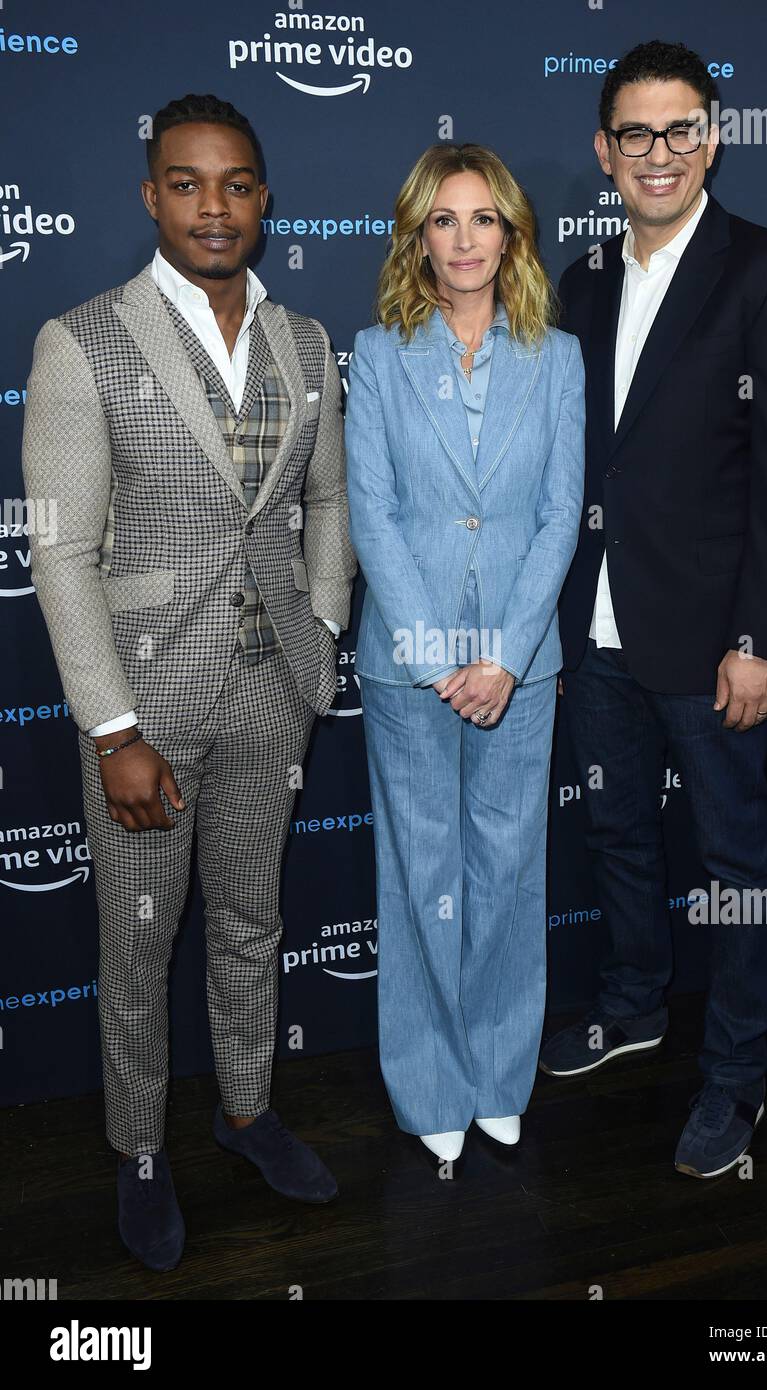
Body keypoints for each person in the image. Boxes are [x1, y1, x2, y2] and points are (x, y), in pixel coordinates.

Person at [22, 94, 356, 1269]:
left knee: (254, 921)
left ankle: (248, 1106)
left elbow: (327, 503)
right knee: (139, 938)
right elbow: (58, 546)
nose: (214, 207)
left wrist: (319, 634)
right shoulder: (84, 339)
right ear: (151, 195)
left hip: (275, 694)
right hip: (145, 707)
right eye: (187, 183)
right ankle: (140, 1146)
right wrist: (112, 726)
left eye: (237, 184)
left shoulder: (308, 343)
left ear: (265, 198)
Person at [541, 40, 767, 1177]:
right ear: (604, 151)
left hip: (716, 638)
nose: (657, 154)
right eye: (635, 134)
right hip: (600, 629)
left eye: (680, 131)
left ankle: (736, 1076)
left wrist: (760, 640)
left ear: (713, 138)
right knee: (616, 829)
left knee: (736, 865)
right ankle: (634, 1004)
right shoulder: (583, 281)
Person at [345, 143, 585, 1164]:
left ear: (512, 233)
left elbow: (557, 514)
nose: (465, 240)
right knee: (420, 874)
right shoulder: (379, 351)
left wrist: (504, 656)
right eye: (443, 220)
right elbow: (374, 514)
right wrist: (445, 653)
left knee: (507, 866)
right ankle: (430, 1078)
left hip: (520, 667)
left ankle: (497, 1068)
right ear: (417, 235)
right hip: (412, 666)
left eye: (484, 219)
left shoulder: (558, 357)